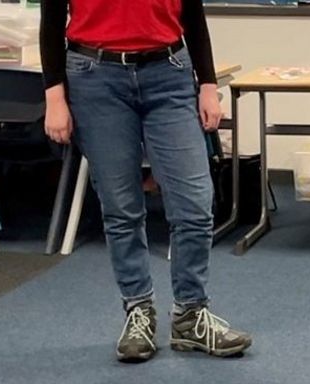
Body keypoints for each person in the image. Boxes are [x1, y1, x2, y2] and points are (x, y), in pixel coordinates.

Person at [40, 0, 251, 362]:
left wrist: (207, 84)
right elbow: (52, 21)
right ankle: (138, 311)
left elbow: (194, 16)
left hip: (168, 73)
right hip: (95, 77)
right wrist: (54, 97)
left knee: (196, 205)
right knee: (121, 208)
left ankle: (190, 315)